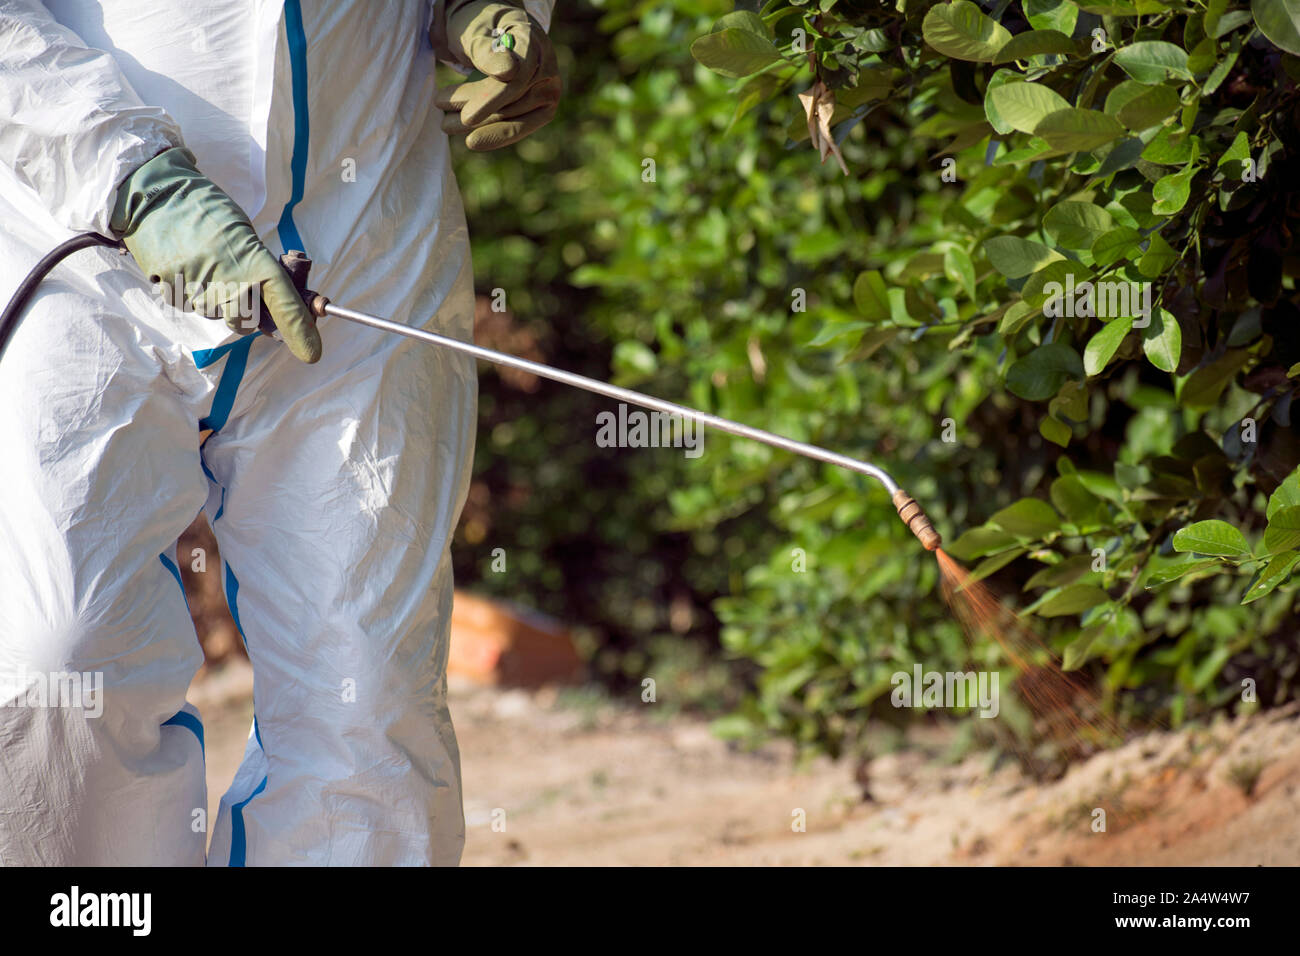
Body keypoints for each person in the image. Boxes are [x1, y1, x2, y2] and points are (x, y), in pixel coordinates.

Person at [0, 0, 560, 866]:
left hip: (364, 230)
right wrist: (132, 179)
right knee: (54, 661)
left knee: (367, 696)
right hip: (73, 233)